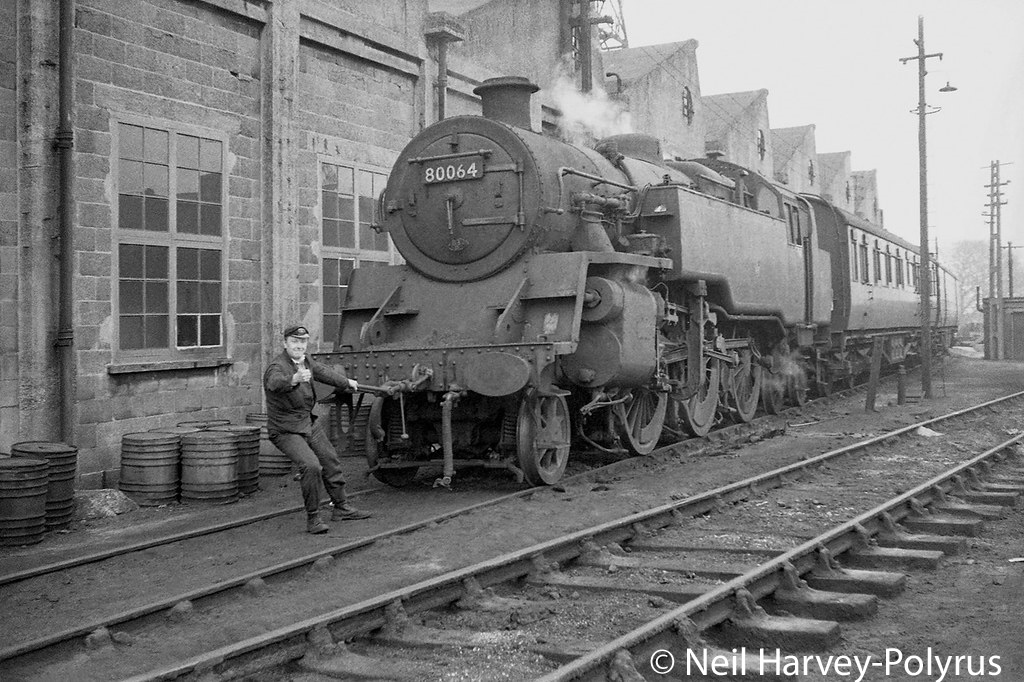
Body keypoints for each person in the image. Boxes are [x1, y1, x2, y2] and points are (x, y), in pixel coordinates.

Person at [264, 323, 371, 534]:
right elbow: (274, 383)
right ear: (285, 343)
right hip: (285, 430)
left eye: (302, 342)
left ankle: (341, 508)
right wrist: (293, 379)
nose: (299, 346)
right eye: (294, 342)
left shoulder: (307, 361)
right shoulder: (277, 367)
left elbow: (322, 372)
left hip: (307, 422)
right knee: (311, 466)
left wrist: (346, 382)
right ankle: (313, 518)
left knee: (330, 459)